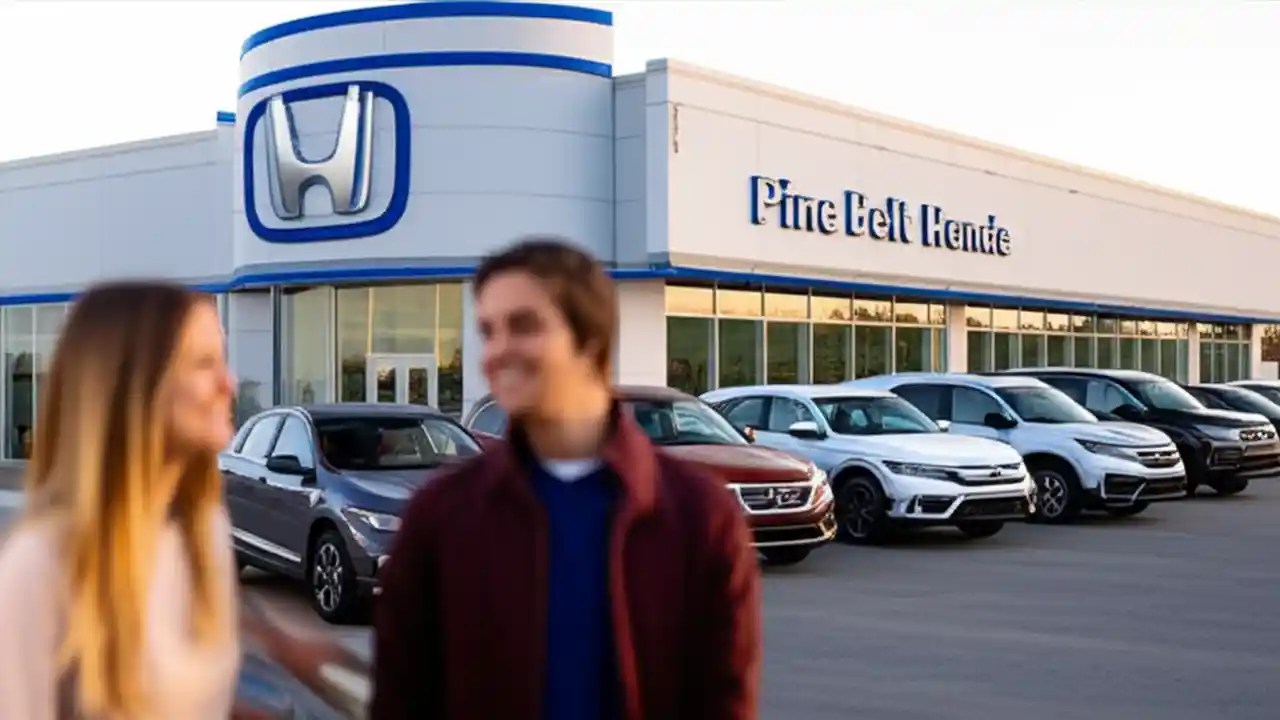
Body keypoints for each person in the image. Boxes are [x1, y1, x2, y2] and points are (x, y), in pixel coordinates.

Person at [372, 238, 762, 719]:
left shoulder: (698, 514)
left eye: (523, 326)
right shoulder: (442, 514)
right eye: (488, 331)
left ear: (590, 339)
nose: (496, 352)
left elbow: (724, 702)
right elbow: (402, 698)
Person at [0, 282, 348, 719]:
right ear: (133, 384)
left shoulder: (201, 529)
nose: (230, 383)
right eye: (204, 364)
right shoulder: (41, 566)